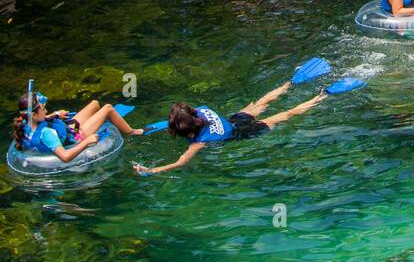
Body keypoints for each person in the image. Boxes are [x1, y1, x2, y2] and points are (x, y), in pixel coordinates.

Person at [132, 81, 326, 177]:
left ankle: (322, 96)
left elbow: (180, 163)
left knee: (285, 115)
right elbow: (176, 121)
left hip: (244, 133)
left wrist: (152, 170)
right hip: (235, 120)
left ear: (189, 132)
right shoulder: (199, 111)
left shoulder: (200, 143)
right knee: (261, 103)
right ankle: (290, 83)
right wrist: (142, 130)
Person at [11, 91, 142, 163]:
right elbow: (65, 157)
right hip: (76, 136)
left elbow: (40, 120)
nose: (45, 111)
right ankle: (131, 132)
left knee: (95, 104)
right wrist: (86, 142)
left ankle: (105, 118)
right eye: (43, 109)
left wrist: (55, 114)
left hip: (65, 130)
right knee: (107, 108)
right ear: (33, 115)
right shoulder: (47, 134)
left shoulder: (24, 123)